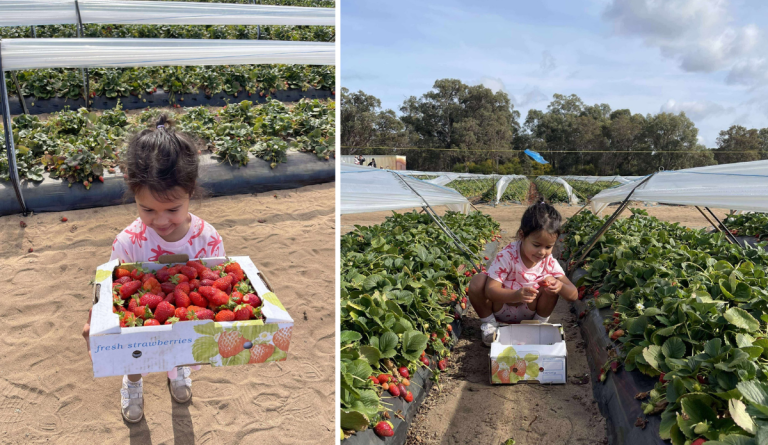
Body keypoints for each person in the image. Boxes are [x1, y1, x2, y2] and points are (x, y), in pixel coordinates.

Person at [82, 115, 226, 423]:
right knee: (132, 353)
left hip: (186, 321)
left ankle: (178, 371)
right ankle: (133, 383)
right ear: (133, 195)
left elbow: (220, 284)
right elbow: (107, 287)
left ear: (191, 192)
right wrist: (93, 319)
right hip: (139, 324)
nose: (160, 220)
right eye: (147, 209)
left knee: (183, 346)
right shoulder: (128, 241)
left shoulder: (208, 238)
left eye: (173, 209)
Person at [467, 199, 577, 346]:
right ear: (522, 235)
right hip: (502, 308)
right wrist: (516, 295)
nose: (542, 252)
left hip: (530, 314)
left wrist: (560, 286)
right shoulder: (507, 256)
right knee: (478, 281)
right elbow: (490, 290)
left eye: (548, 246)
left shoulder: (549, 262)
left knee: (551, 283)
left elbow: (573, 294)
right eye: (536, 245)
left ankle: (537, 326)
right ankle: (490, 326)